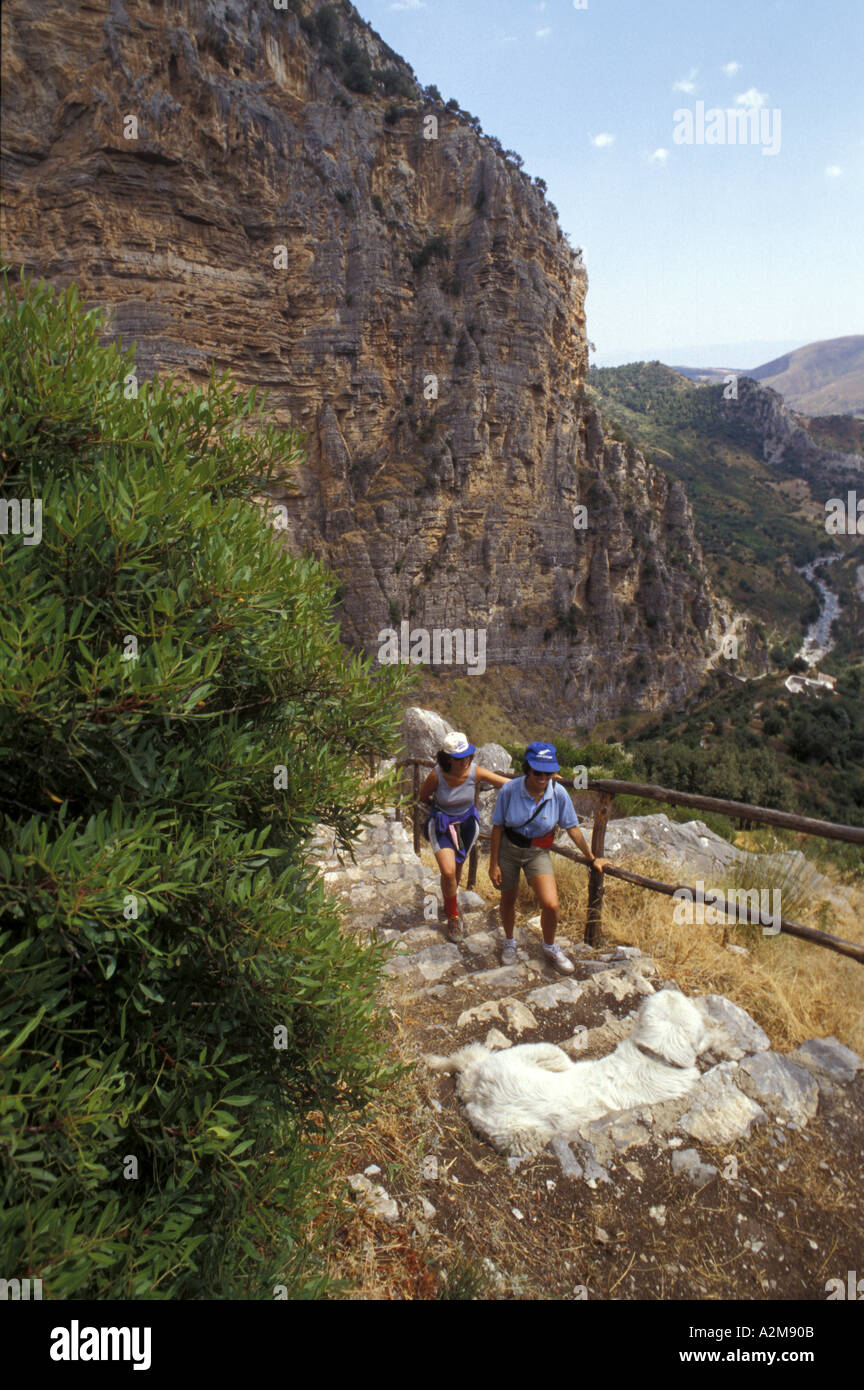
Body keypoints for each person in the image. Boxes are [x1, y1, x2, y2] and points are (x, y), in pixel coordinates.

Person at [489, 740, 612, 973]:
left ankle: (549, 945)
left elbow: (572, 828)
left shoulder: (558, 793)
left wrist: (592, 857)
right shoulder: (510, 791)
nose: (542, 778)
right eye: (537, 772)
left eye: (547, 772)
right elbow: (497, 827)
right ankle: (509, 941)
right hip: (510, 849)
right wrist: (493, 863)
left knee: (551, 904)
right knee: (508, 899)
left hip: (537, 851)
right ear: (528, 769)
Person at [418, 732, 510, 942]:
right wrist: (441, 811)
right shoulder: (437, 775)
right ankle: (453, 917)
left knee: (457, 869)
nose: (466, 761)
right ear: (448, 758)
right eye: (460, 758)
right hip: (442, 825)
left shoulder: (474, 772)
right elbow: (423, 797)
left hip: (467, 826)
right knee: (448, 871)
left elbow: (505, 783)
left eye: (468, 756)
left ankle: (451, 902)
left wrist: (543, 778)